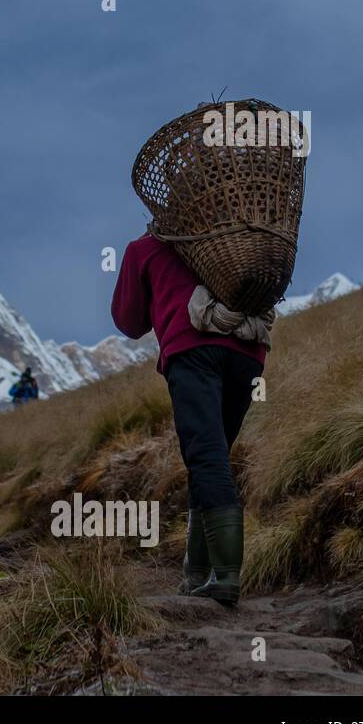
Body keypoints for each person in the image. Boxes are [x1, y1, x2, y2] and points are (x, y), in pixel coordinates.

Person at [111, 232, 269, 606]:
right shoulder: (238, 232)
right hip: (248, 353)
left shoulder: (146, 247)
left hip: (193, 349)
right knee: (213, 456)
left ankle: (226, 575)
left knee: (206, 457)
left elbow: (128, 321)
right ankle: (196, 574)